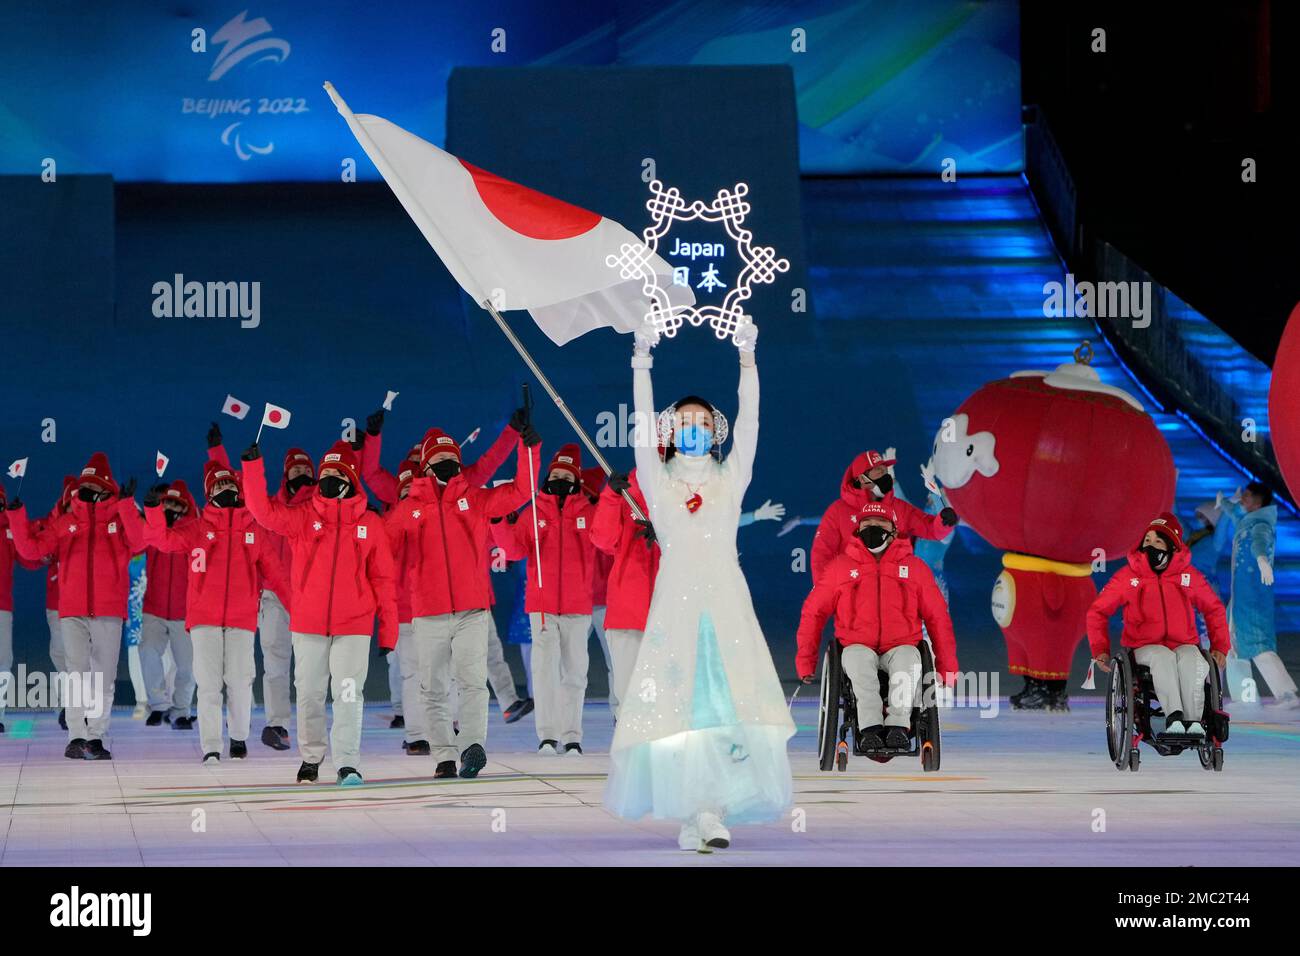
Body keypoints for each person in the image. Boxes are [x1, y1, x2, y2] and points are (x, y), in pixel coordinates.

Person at [603, 322, 794, 853]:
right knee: (678, 716)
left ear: (715, 432)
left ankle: (711, 810)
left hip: (726, 611)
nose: (693, 428)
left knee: (724, 712)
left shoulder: (731, 479)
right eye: (683, 422)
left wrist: (748, 359)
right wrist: (641, 360)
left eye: (701, 422)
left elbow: (752, 421)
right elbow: (641, 427)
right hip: (677, 618)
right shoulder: (659, 486)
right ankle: (695, 813)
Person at [359, 407, 531, 724]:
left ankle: (475, 717)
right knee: (413, 668)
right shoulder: (403, 493)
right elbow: (370, 475)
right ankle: (410, 719)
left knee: (472, 661)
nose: (432, 469)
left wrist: (513, 434)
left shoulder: (464, 483)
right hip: (414, 593)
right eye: (422, 463)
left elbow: (489, 463)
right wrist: (371, 439)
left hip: (467, 592)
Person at [241, 440, 398, 785]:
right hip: (309, 623)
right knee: (310, 693)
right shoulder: (303, 518)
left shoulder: (370, 524)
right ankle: (311, 757)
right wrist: (252, 471)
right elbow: (263, 513)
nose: (325, 478)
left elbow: (385, 580)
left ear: (349, 478)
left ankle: (347, 763)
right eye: (323, 472)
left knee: (347, 693)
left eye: (334, 473)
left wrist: (388, 630)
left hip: (354, 626)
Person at [388, 420, 538, 778]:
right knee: (434, 687)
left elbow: (520, 490)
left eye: (451, 457)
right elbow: (387, 545)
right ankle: (442, 755)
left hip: (472, 609)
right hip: (428, 612)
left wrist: (529, 450)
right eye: (438, 458)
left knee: (471, 682)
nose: (446, 463)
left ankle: (472, 746)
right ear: (425, 466)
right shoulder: (412, 505)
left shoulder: (474, 497)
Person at [143, 461, 290, 763]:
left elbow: (276, 575)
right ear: (209, 492)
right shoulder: (196, 528)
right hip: (204, 619)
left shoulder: (253, 530)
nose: (225, 490)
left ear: (237, 489)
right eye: (219, 486)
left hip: (241, 619)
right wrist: (153, 511)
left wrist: (297, 610)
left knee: (239, 681)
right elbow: (162, 540)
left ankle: (238, 738)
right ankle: (211, 745)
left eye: (229, 485)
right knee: (208, 684)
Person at [8, 453, 142, 759]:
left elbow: (140, 541)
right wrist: (17, 518)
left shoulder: (120, 520)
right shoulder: (65, 523)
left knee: (103, 677)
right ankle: (76, 735)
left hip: (108, 611)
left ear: (108, 488)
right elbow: (31, 550)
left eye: (96, 486)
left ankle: (95, 736)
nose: (89, 492)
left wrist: (126, 506)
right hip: (72, 611)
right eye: (86, 486)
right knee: (76, 674)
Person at [795, 502, 959, 747]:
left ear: (894, 530)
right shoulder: (840, 568)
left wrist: (947, 667)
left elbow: (938, 618)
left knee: (910, 659)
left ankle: (898, 727)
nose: (872, 528)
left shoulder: (915, 569)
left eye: (880, 524)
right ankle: (869, 728)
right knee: (858, 661)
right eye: (866, 524)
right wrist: (806, 661)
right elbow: (813, 613)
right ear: (857, 528)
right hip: (856, 645)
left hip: (901, 645)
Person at [209, 421, 315, 751]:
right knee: (275, 662)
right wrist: (218, 452)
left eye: (304, 467)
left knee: (311, 667)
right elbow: (236, 480)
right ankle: (277, 724)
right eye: (294, 467)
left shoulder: (317, 507)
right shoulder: (268, 507)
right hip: (273, 595)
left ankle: (312, 726)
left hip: (309, 594)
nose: (299, 471)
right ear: (285, 473)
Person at [492, 444, 596, 755]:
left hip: (578, 607)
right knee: (544, 671)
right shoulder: (535, 510)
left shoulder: (588, 511)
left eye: (567, 475)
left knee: (575, 673)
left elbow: (605, 539)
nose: (560, 479)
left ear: (576, 480)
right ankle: (548, 735)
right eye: (556, 474)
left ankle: (572, 735)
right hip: (542, 606)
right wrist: (500, 522)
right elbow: (514, 551)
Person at [1086, 513, 1230, 736]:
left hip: (1183, 643)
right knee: (1163, 657)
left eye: (1157, 541)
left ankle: (1193, 722)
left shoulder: (1187, 576)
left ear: (1172, 546)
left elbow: (1214, 609)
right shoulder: (1129, 577)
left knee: (1192, 658)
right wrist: (1100, 650)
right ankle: (1175, 717)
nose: (1150, 545)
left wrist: (1220, 646)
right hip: (1144, 647)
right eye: (1147, 541)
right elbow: (1098, 611)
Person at [811, 448, 957, 581]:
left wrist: (944, 520)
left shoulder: (898, 508)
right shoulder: (838, 511)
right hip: (852, 599)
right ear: (862, 479)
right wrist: (825, 596)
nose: (885, 475)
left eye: (885, 470)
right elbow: (821, 554)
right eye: (879, 472)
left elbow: (930, 528)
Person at [589, 468, 659, 723]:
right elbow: (603, 540)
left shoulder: (685, 491)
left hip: (671, 612)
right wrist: (609, 497)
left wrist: (670, 534)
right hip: (627, 612)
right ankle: (630, 751)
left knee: (671, 692)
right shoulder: (626, 493)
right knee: (629, 694)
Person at [1221, 482, 1297, 706]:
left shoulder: (1261, 523)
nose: (1242, 499)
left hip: (1252, 595)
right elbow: (1234, 514)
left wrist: (1263, 560)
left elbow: (1260, 542)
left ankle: (1287, 694)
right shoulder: (1246, 521)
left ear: (1258, 501)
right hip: (1240, 596)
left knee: (1257, 641)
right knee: (1233, 646)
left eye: (1246, 496)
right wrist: (1223, 502)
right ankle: (1244, 697)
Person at [139, 481, 198, 729]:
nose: (172, 508)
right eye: (168, 503)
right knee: (148, 651)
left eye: (177, 504)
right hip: (155, 607)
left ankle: (181, 710)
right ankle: (158, 705)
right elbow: (134, 535)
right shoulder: (152, 529)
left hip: (185, 611)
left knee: (187, 666)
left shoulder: (195, 531)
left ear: (186, 508)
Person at [1, 485, 46, 734]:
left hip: (2, 606)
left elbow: (28, 557)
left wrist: (44, 556)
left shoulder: (10, 529)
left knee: (2, 662)